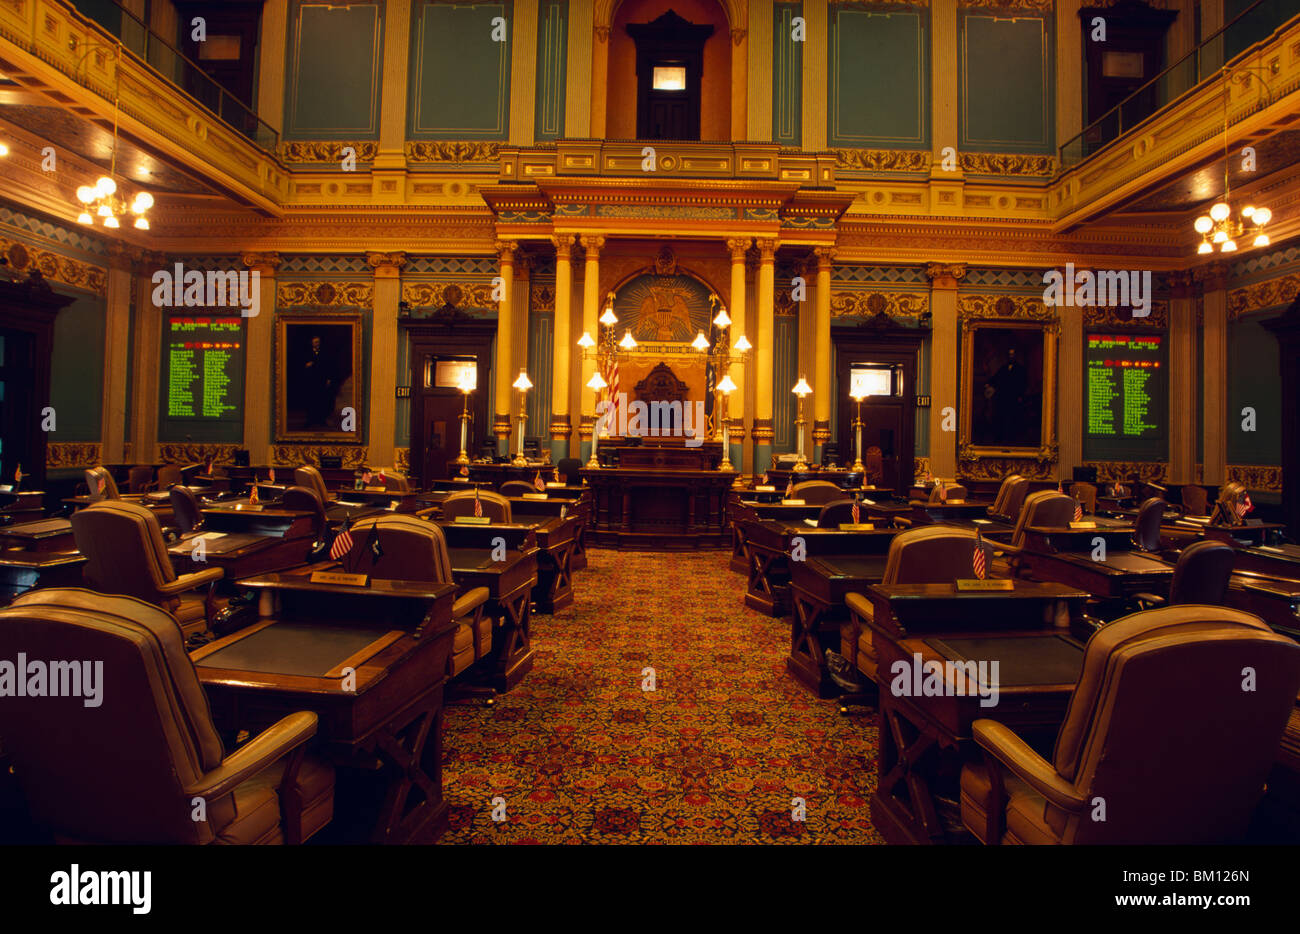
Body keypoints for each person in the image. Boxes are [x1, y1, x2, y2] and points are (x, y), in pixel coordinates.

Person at [984, 348, 1028, 444]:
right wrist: (989, 383)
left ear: (1015, 356)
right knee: (1001, 417)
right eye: (1009, 354)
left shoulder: (1020, 369)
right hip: (1003, 397)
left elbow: (1023, 384)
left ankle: (1011, 438)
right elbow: (996, 378)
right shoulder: (1003, 368)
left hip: (1014, 398)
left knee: (1012, 418)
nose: (1011, 356)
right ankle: (1000, 437)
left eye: (1013, 354)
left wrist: (1020, 396)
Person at [300, 334, 339, 429]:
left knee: (321, 400)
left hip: (322, 380)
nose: (317, 343)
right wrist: (306, 365)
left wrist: (329, 379)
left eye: (318, 342)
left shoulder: (325, 353)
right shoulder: (306, 353)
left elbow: (329, 366)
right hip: (310, 381)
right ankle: (310, 420)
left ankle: (321, 420)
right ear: (312, 343)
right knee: (310, 400)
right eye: (315, 342)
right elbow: (299, 367)